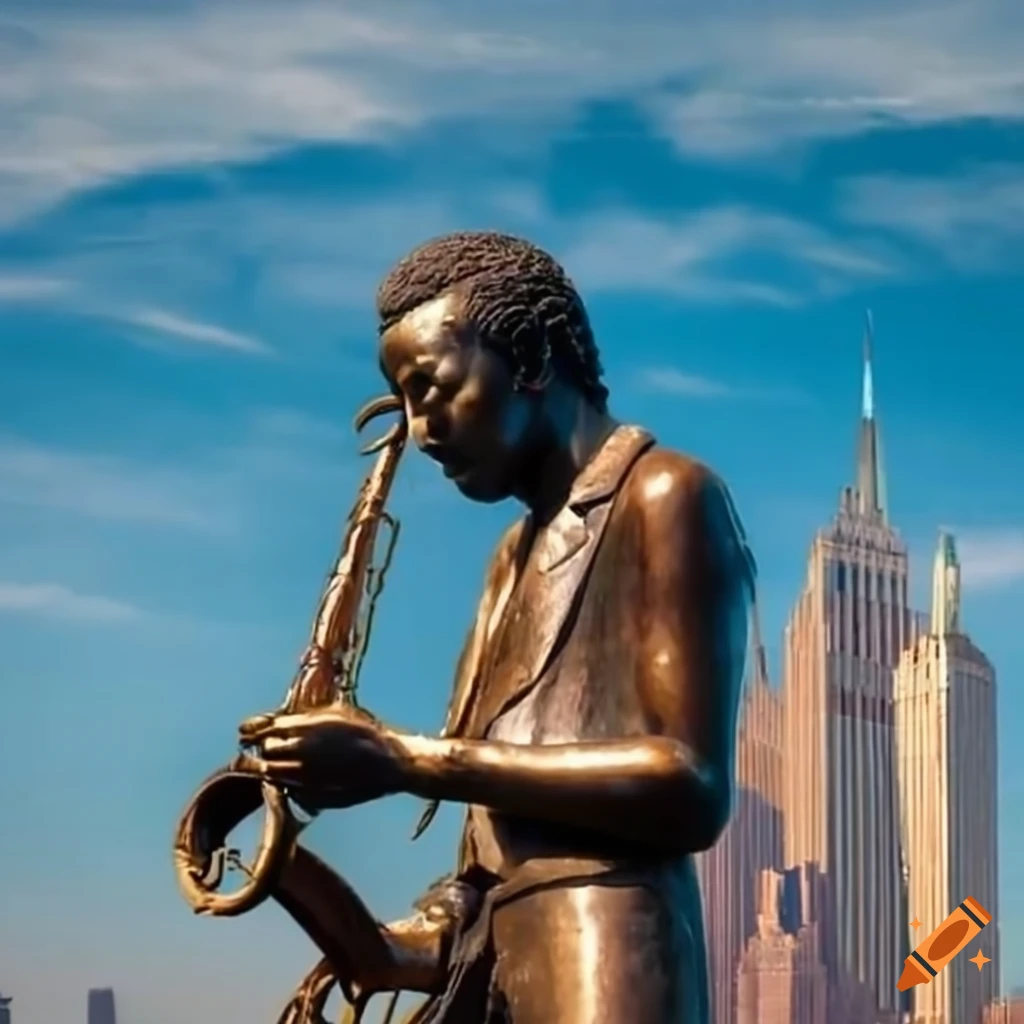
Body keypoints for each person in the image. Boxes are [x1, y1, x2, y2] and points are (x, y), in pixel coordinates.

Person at [238, 231, 755, 1023]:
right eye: (402, 402)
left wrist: (403, 759)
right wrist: (291, 872)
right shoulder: (506, 562)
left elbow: (691, 787)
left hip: (613, 969)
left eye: (433, 388)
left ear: (531, 359)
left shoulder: (666, 495)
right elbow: (475, 878)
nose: (416, 428)